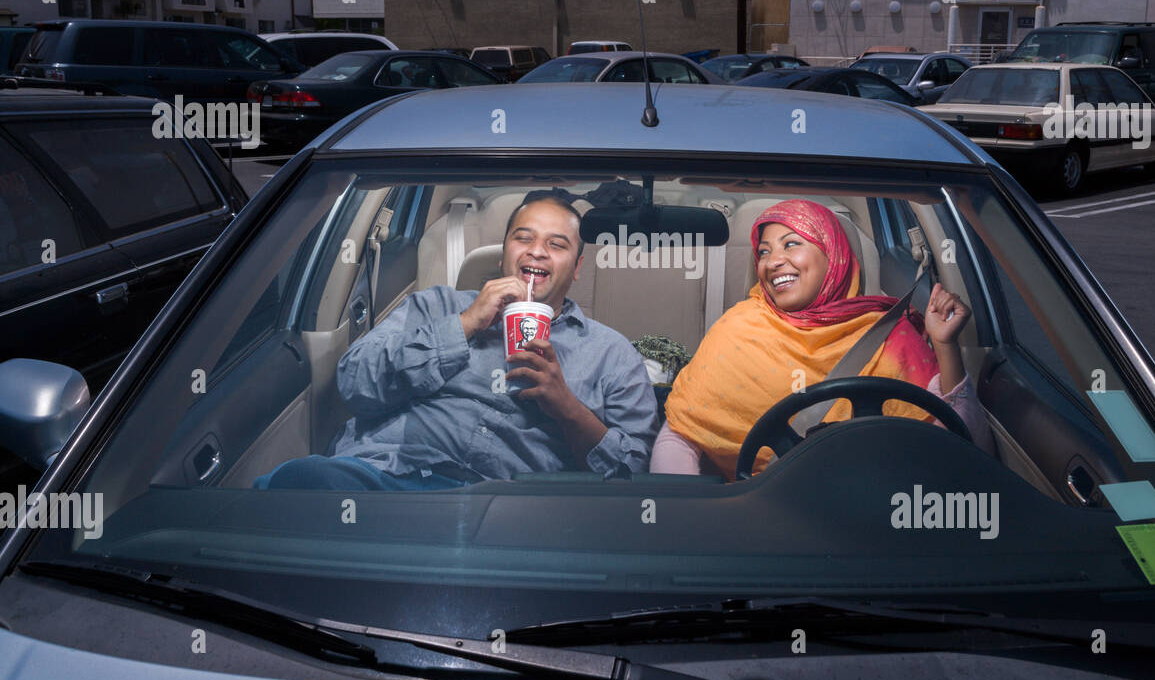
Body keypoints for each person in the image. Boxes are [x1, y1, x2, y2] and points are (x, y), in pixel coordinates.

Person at [257, 194, 658, 490]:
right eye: (524, 238)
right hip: (389, 477)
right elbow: (354, 384)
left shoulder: (611, 353)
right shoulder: (436, 305)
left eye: (556, 244)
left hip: (514, 508)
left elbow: (634, 476)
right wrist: (464, 324)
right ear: (503, 253)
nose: (537, 251)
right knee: (297, 483)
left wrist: (567, 408)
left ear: (577, 268)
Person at [651, 198, 995, 478]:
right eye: (764, 252)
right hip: (757, 519)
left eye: (791, 244)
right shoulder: (738, 329)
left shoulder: (890, 336)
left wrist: (945, 345)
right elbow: (679, 435)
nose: (773, 262)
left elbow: (966, 451)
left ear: (833, 254)